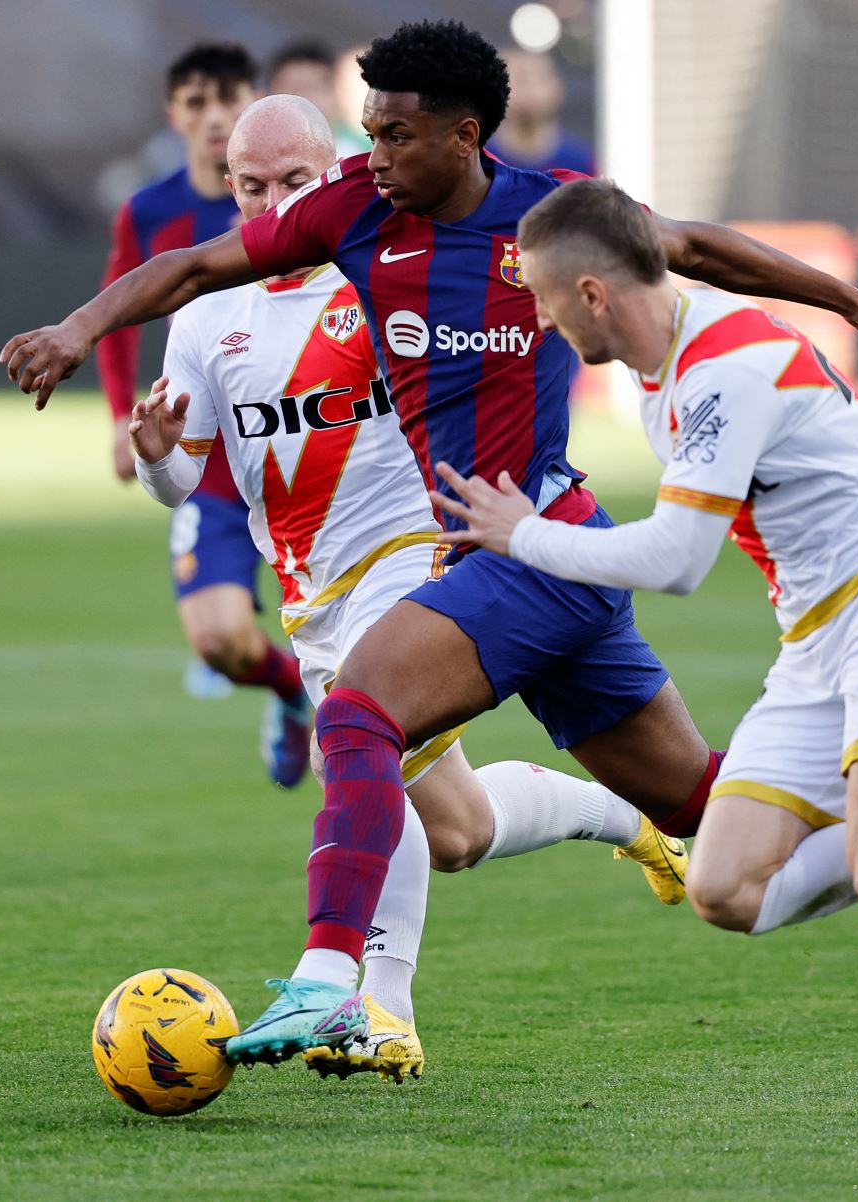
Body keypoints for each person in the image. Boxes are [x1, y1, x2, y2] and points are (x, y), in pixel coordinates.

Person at [0, 19, 858, 1066]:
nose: (375, 159)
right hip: (541, 560)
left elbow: (699, 246)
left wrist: (851, 301)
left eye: (395, 137)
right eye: (369, 133)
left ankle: (335, 985)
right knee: (698, 804)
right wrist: (79, 331)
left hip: (526, 546)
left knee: (354, 716)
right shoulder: (354, 213)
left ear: (465, 134)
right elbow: (191, 266)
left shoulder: (550, 214)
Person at [430, 177, 858, 1186]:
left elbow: (677, 560)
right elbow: (686, 239)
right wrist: (852, 302)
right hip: (818, 633)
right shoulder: (660, 335)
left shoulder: (723, 366)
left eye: (544, 296)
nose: (539, 315)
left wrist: (523, 535)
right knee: (725, 886)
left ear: (597, 294)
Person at [127, 94, 691, 1082]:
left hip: (422, 558)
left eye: (291, 183)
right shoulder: (208, 315)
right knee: (459, 830)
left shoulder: (386, 270)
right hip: (313, 592)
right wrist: (161, 457)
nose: (268, 206)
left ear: (334, 172)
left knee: (362, 741)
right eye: (248, 187)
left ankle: (376, 1005)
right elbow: (188, 477)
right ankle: (633, 817)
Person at [100, 43, 312, 788]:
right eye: (196, 102)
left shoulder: (307, 203)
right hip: (214, 461)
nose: (215, 115)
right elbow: (122, 315)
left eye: (229, 98)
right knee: (219, 640)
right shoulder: (150, 211)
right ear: (174, 115)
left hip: (310, 452)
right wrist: (122, 421)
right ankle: (293, 696)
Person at [486, 49, 595, 175]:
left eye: (539, 78)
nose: (529, 90)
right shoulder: (475, 161)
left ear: (557, 88)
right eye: (520, 79)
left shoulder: (582, 163)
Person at [266, 41, 370, 158]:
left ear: (337, 95)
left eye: (315, 88)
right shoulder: (256, 158)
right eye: (296, 89)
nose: (306, 100)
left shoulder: (367, 158)